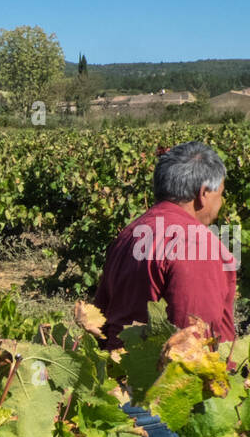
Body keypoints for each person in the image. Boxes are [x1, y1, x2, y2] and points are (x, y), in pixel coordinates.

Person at [93, 141, 236, 350]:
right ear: (203, 194)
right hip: (161, 379)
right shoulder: (195, 244)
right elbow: (193, 338)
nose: (220, 203)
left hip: (119, 373)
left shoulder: (130, 233)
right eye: (220, 194)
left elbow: (100, 319)